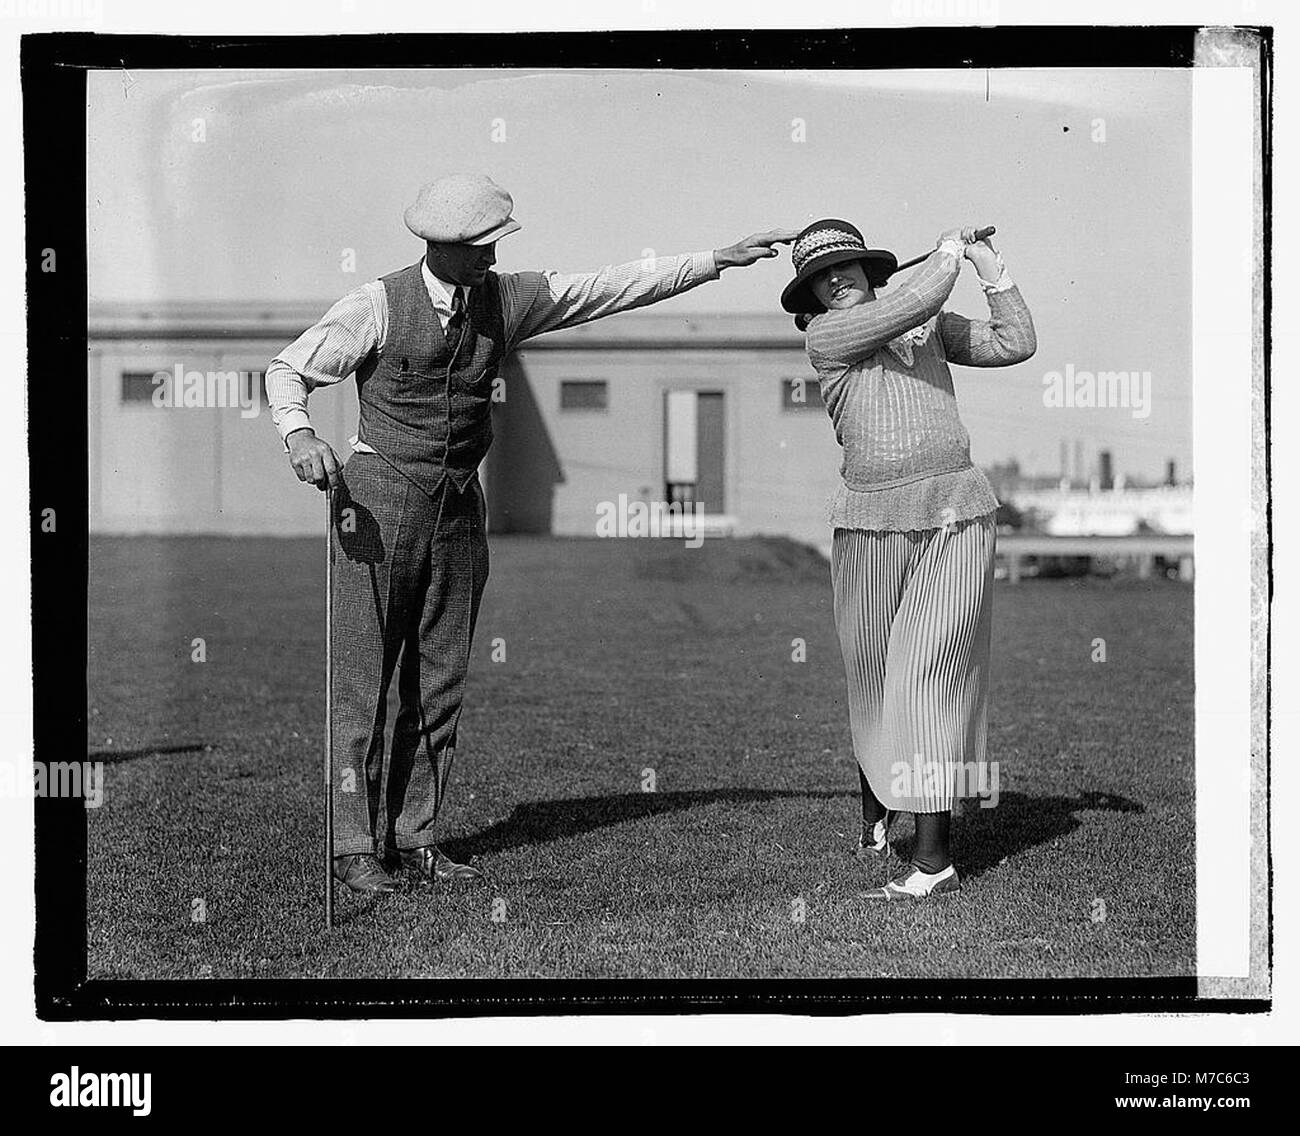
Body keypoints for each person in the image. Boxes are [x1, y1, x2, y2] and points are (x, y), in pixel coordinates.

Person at [266, 172, 796, 896]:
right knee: (362, 684)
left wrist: (717, 259)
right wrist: (299, 437)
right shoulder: (376, 306)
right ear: (439, 246)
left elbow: (612, 285)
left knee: (440, 681)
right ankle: (355, 847)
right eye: (480, 248)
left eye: (495, 246)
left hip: (458, 507)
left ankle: (415, 838)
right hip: (377, 502)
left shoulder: (509, 298)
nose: (490, 259)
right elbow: (287, 370)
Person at [780, 219, 1036, 900]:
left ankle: (932, 862)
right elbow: (907, 305)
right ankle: (877, 800)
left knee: (928, 678)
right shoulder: (826, 337)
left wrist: (988, 261)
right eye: (819, 277)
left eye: (846, 268)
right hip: (868, 523)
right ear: (809, 293)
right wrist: (947, 253)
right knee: (872, 678)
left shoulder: (928, 323)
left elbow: (1016, 342)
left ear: (870, 269)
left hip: (956, 512)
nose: (835, 281)